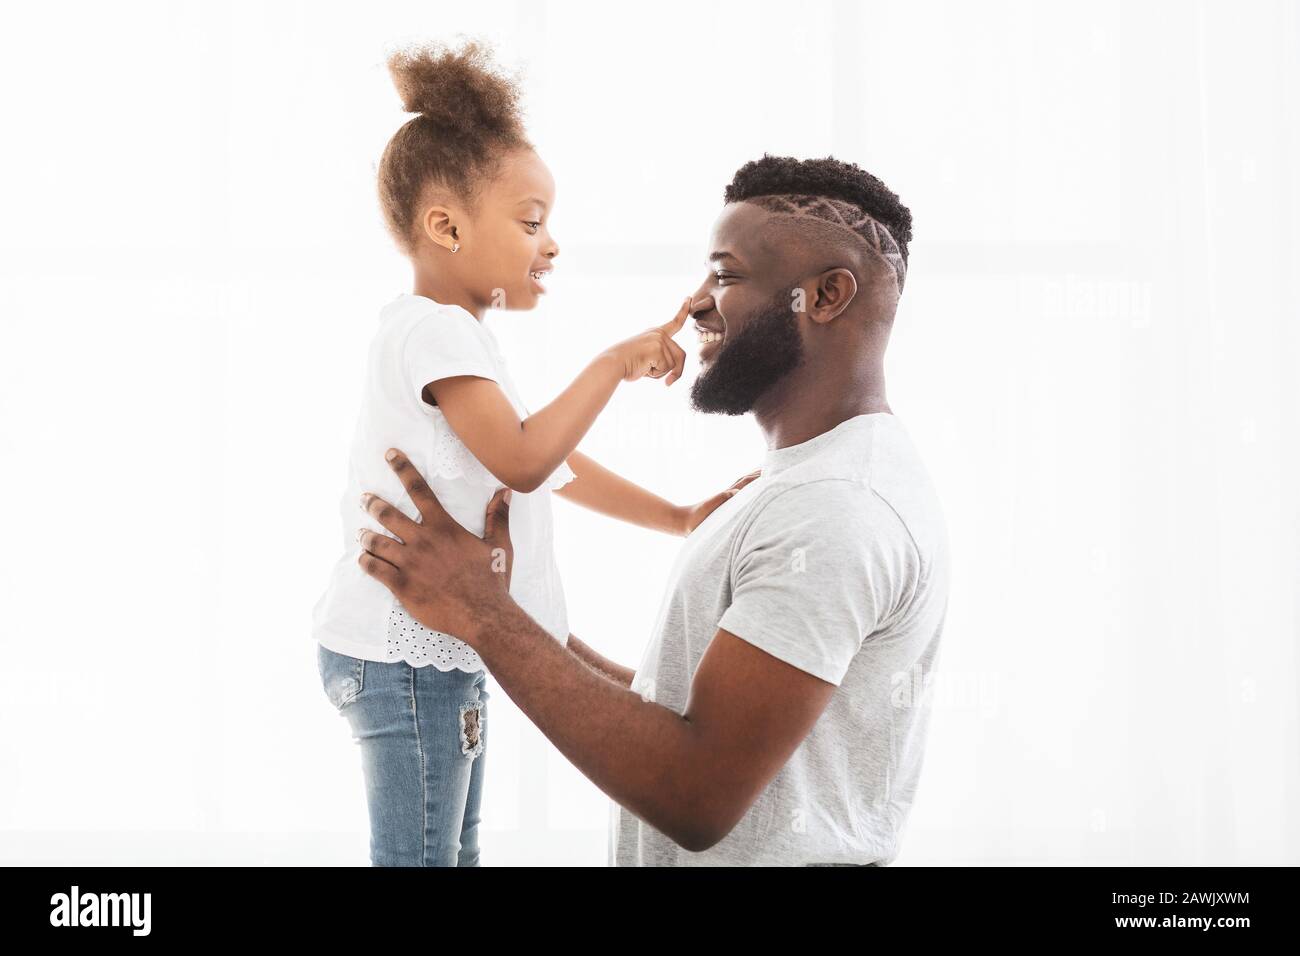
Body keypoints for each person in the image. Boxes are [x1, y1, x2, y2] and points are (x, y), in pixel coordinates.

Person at [351, 154, 952, 866]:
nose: (695, 304)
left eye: (725, 276)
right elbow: (675, 715)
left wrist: (487, 616)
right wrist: (497, 607)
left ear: (825, 297)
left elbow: (696, 794)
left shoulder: (836, 510)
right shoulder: (797, 485)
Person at [311, 39, 753, 867]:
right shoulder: (435, 333)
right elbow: (522, 458)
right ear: (445, 226)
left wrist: (678, 516)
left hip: (435, 652)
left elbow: (547, 460)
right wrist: (612, 364)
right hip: (406, 657)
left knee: (452, 852)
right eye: (531, 222)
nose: (550, 246)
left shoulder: (454, 341)